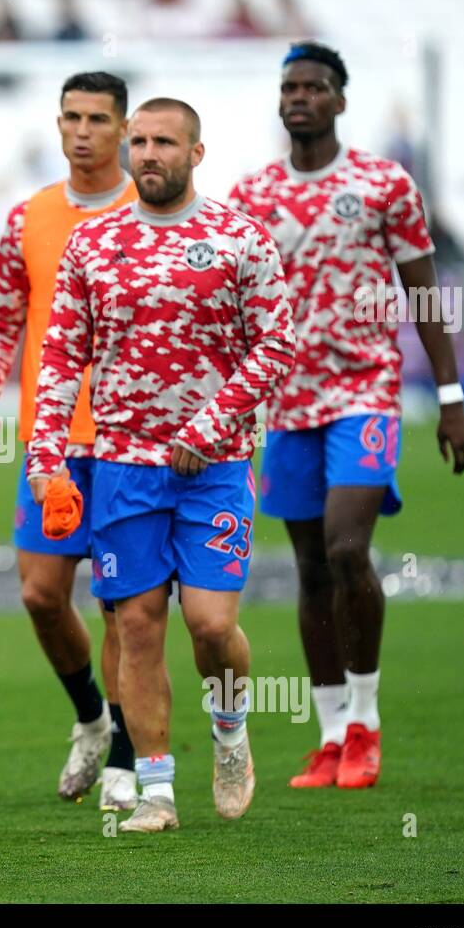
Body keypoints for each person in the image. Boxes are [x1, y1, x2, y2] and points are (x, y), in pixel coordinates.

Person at [28, 98, 296, 833]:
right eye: (139, 141)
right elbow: (59, 354)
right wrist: (46, 456)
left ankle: (231, 732)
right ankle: (156, 791)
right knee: (138, 626)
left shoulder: (239, 238)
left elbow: (276, 344)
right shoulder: (92, 243)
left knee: (211, 626)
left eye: (164, 143)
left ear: (196, 154)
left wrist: (212, 425)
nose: (147, 154)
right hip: (122, 468)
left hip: (214, 468)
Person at [227, 41, 464, 790]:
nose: (298, 97)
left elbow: (424, 292)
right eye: (289, 87)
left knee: (344, 549)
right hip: (287, 400)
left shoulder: (382, 184)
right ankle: (330, 735)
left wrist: (452, 398)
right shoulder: (251, 196)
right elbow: (232, 306)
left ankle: (366, 723)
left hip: (366, 390)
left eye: (313, 86)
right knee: (307, 567)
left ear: (339, 100)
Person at [0, 72, 139, 809]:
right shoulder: (30, 216)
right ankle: (91, 718)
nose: (82, 131)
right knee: (40, 594)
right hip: (53, 441)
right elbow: (1, 315)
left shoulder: (155, 211)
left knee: (122, 605)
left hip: (134, 441)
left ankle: (130, 753)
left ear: (124, 129)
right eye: (71, 117)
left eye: (98, 118)